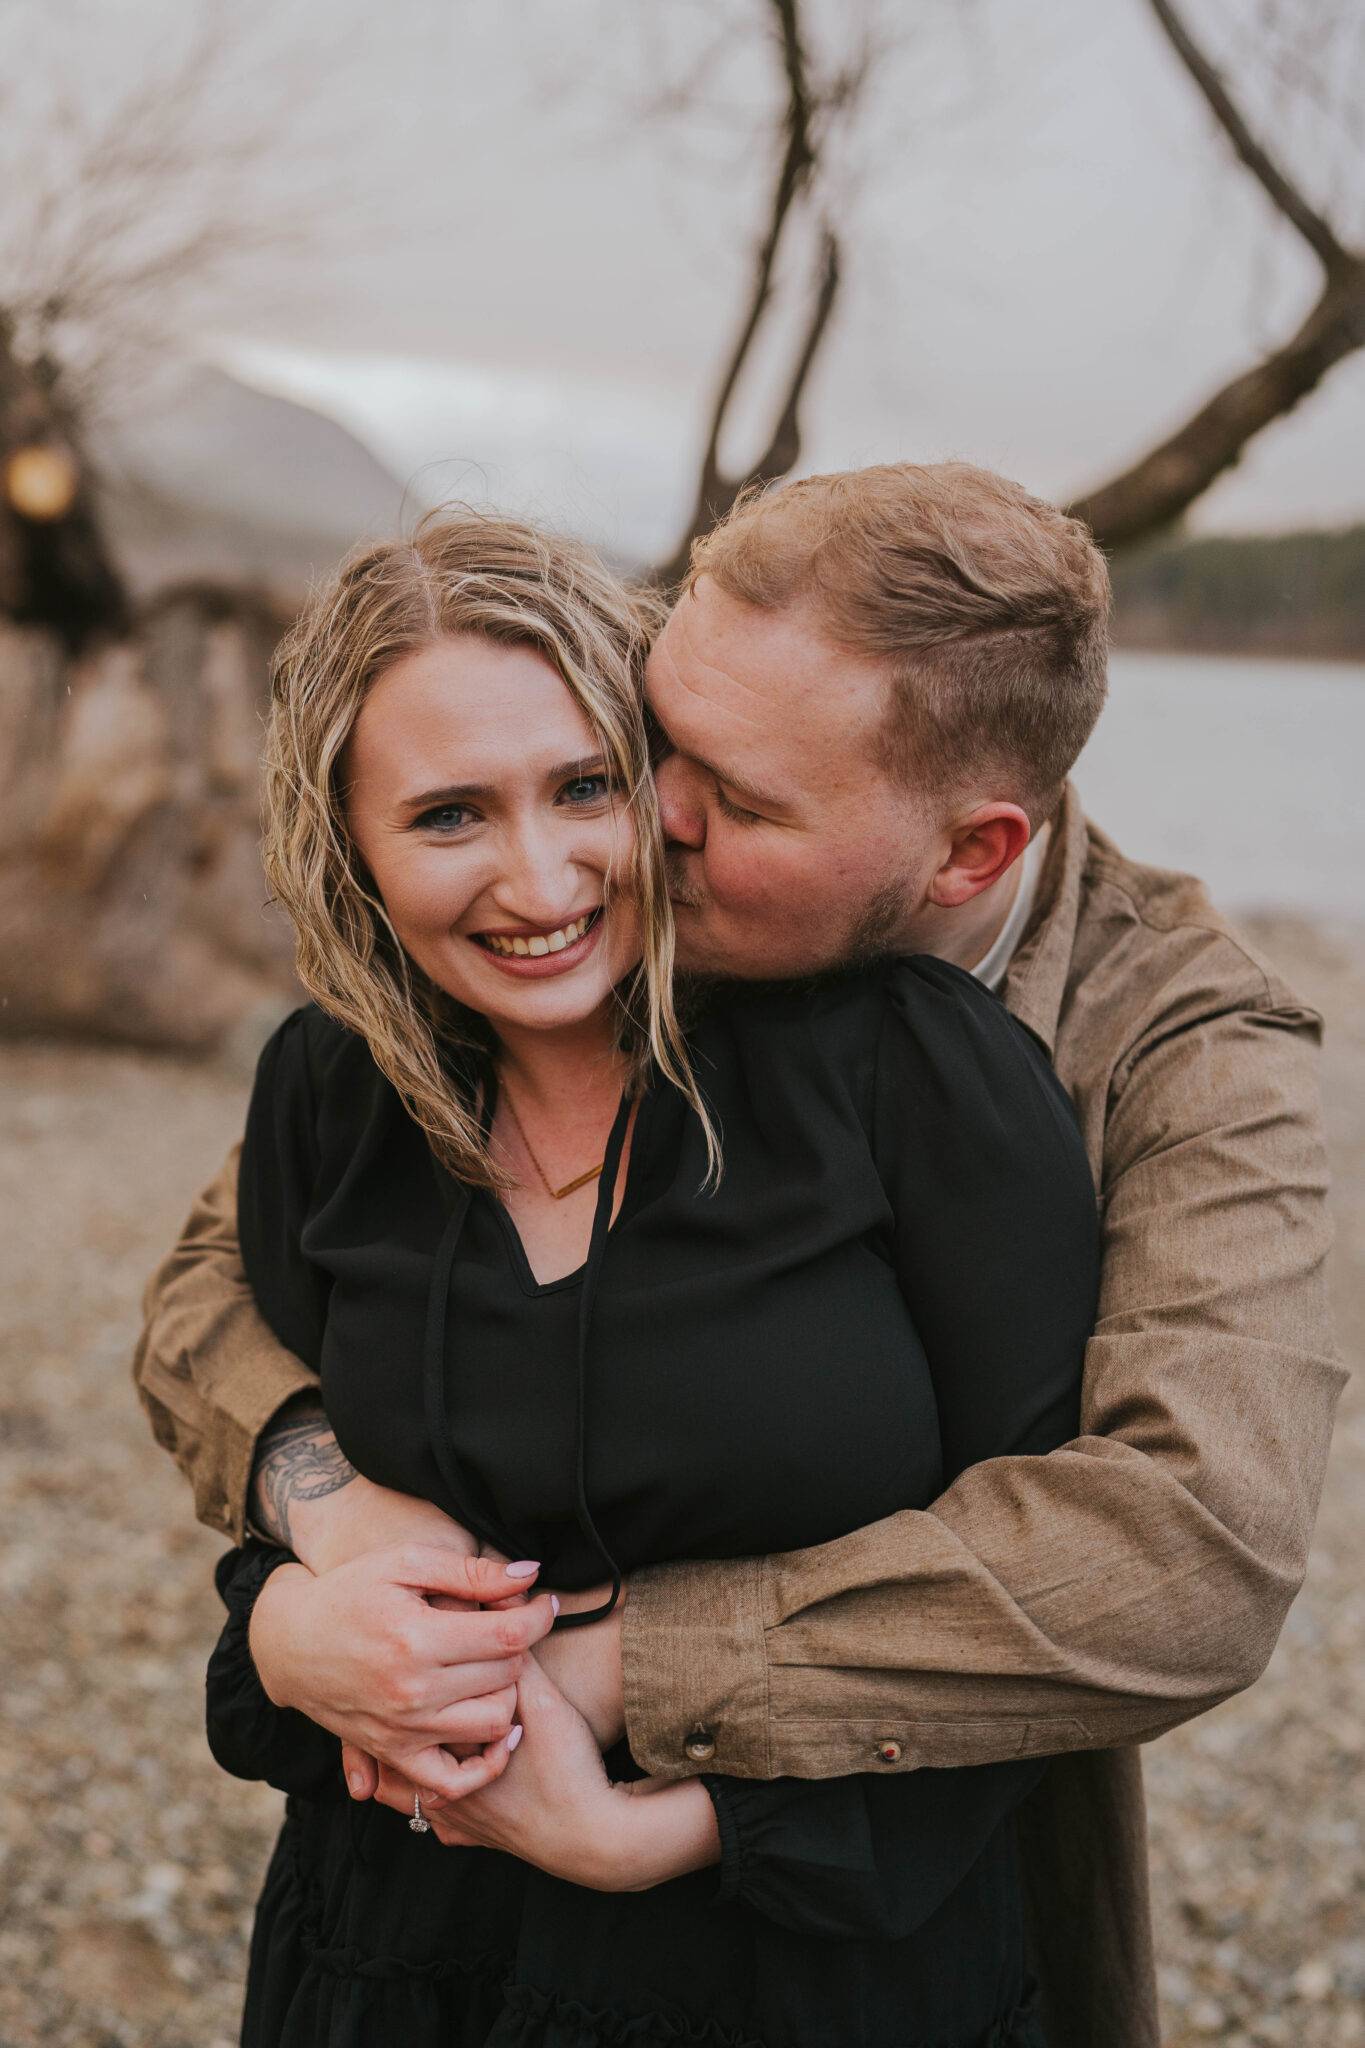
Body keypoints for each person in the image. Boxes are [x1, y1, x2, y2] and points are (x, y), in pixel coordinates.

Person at [135, 464, 1341, 2048]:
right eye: (655, 738)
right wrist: (315, 1552)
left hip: (864, 1893)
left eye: (738, 801)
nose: (644, 824)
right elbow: (214, 1285)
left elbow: (1188, 1547)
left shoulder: (1176, 1047)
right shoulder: (533, 978)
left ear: (966, 857)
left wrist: (610, 1681)